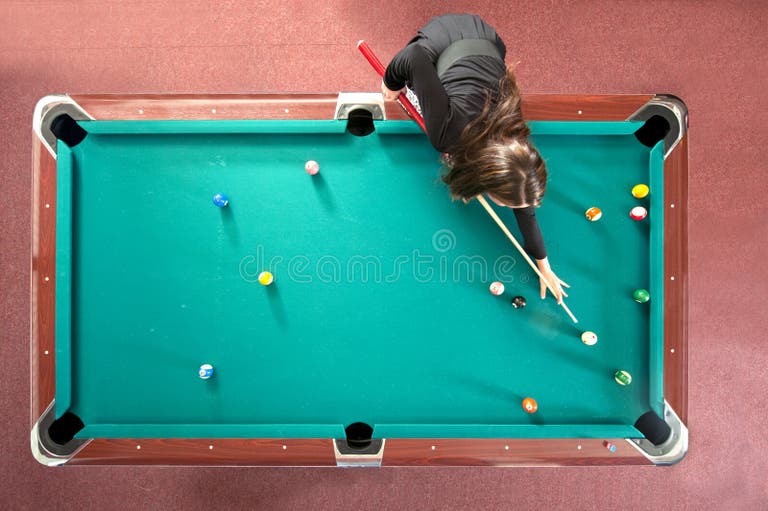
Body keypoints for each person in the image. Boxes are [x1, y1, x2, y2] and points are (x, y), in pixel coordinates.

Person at [381, 13, 568, 303]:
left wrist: (543, 265)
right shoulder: (447, 134)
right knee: (419, 94)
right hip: (444, 39)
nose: (517, 207)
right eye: (508, 202)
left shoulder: (517, 146)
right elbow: (414, 56)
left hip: (489, 39)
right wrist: (391, 82)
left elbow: (526, 210)